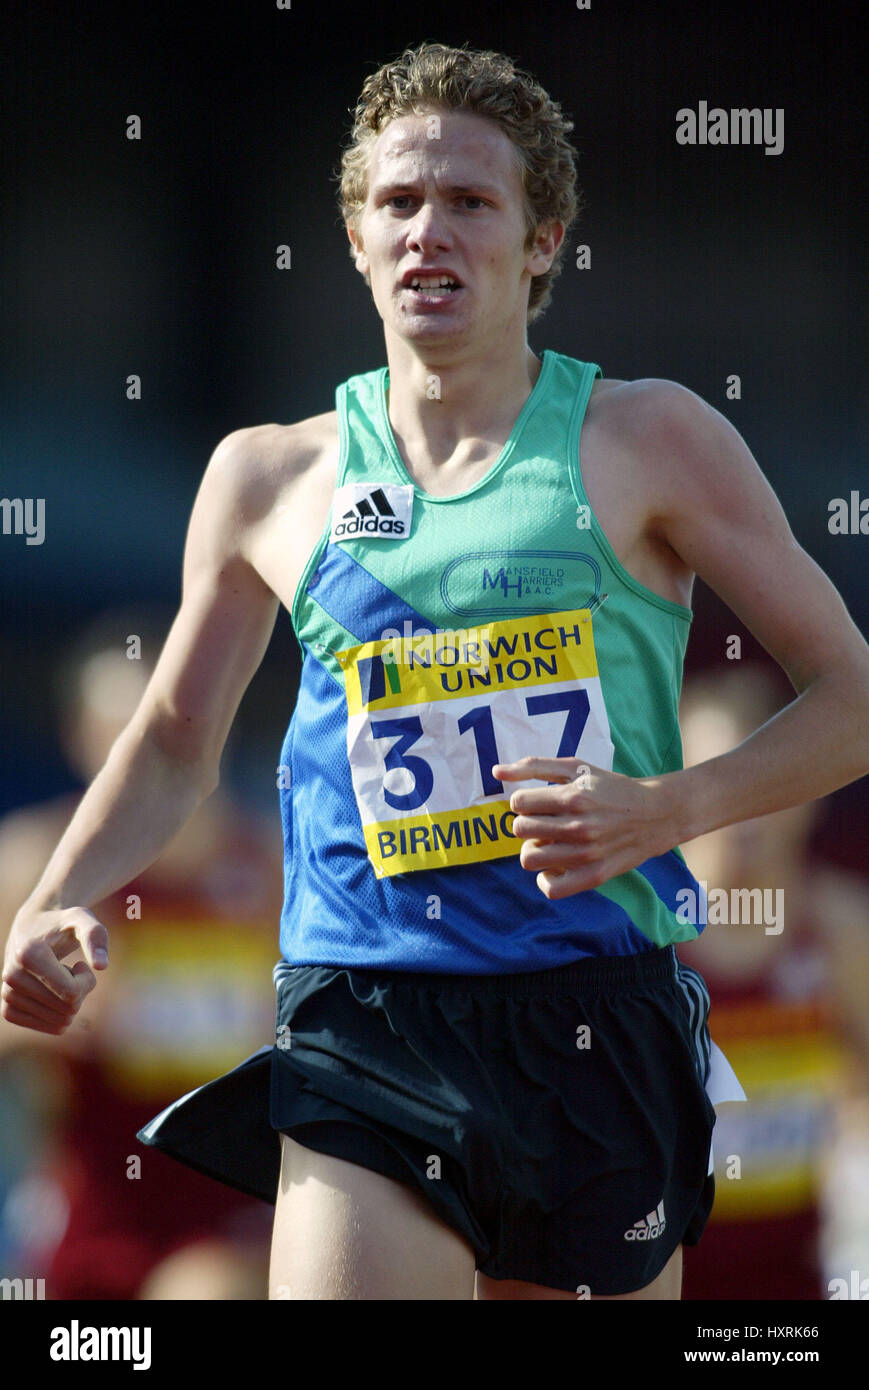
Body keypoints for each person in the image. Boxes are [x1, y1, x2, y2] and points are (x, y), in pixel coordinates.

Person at [3, 41, 868, 1302]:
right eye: (397, 203)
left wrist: (664, 809)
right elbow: (177, 744)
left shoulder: (651, 438)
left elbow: (847, 694)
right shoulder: (266, 477)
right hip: (368, 1013)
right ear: (354, 239)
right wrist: (55, 898)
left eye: (470, 202)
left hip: (594, 1010)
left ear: (540, 241)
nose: (428, 232)